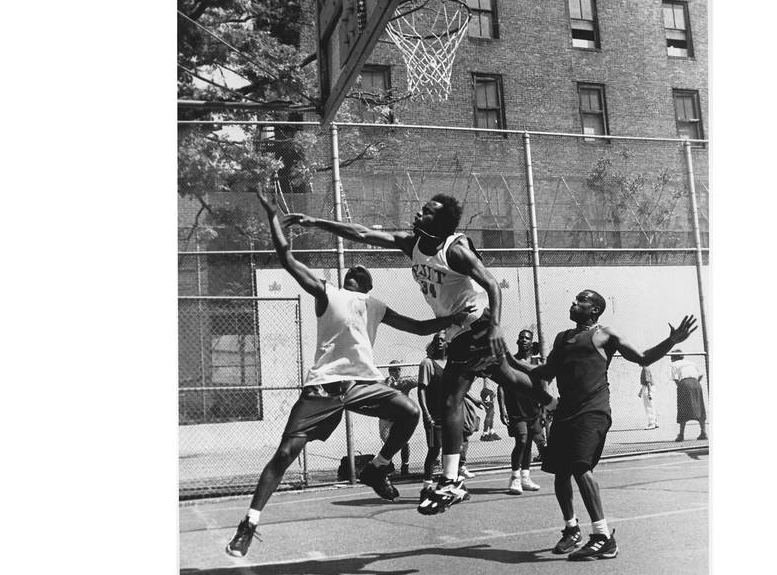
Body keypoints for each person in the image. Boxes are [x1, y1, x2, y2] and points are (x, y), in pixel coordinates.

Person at [225, 192, 472, 558]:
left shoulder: (376, 305)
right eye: (352, 272)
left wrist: (450, 320)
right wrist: (275, 221)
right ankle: (249, 523)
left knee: (409, 412)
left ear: (369, 285)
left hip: (361, 385)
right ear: (346, 280)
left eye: (363, 272)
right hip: (323, 387)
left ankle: (378, 467)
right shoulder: (327, 293)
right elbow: (287, 258)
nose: (357, 272)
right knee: (284, 454)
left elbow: (420, 329)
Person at [284, 194, 553, 516]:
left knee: (453, 399)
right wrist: (316, 222)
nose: (418, 213)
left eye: (427, 212)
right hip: (458, 330)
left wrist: (494, 324)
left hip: (475, 323)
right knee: (509, 376)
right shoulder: (411, 244)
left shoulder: (454, 250)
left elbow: (492, 284)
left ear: (439, 224)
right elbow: (363, 233)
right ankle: (554, 405)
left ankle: (451, 479)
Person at [510, 290, 696, 561]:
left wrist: (671, 340)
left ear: (594, 310)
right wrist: (509, 363)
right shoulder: (562, 338)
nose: (574, 303)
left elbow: (642, 357)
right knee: (561, 472)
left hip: (593, 411)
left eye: (581, 301)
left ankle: (602, 537)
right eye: (575, 300)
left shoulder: (606, 334)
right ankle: (571, 529)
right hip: (565, 411)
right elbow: (545, 373)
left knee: (579, 466)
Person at [417, 333, 477, 500]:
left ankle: (453, 486)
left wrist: (474, 399)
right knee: (434, 451)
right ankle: (426, 489)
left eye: (443, 340)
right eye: (437, 340)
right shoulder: (427, 363)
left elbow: (458, 388)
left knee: (452, 451)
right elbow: (421, 389)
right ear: (433, 344)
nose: (440, 343)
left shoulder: (452, 363)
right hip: (434, 415)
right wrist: (426, 413)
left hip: (450, 415)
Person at [500, 330, 546, 495]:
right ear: (517, 341)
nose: (523, 340)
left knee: (528, 444)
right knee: (521, 440)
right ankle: (514, 478)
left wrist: (544, 408)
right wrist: (502, 408)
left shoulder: (536, 362)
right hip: (515, 408)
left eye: (527, 338)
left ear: (531, 342)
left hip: (533, 408)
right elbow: (501, 386)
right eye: (521, 338)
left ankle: (525, 477)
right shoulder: (510, 361)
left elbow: (542, 386)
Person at [379, 360, 419, 474]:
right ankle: (389, 465)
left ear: (400, 370)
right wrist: (388, 384)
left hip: (401, 415)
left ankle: (405, 466)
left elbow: (418, 380)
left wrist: (404, 381)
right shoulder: (385, 383)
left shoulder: (404, 382)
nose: (395, 372)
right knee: (386, 439)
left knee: (405, 441)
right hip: (387, 416)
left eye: (397, 369)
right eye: (392, 369)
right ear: (388, 371)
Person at [670, 349, 708, 441]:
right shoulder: (691, 363)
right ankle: (703, 432)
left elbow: (675, 379)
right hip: (696, 383)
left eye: (671, 357)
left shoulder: (674, 364)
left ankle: (681, 435)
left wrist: (682, 386)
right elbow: (701, 375)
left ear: (674, 357)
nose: (670, 359)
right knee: (699, 407)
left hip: (684, 384)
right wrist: (695, 383)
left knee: (683, 408)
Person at [639, 365, 658, 430]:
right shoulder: (647, 368)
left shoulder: (645, 368)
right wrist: (641, 391)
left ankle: (651, 423)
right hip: (647, 388)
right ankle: (655, 422)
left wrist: (649, 392)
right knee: (651, 405)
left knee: (648, 407)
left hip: (648, 388)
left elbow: (648, 382)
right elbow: (646, 382)